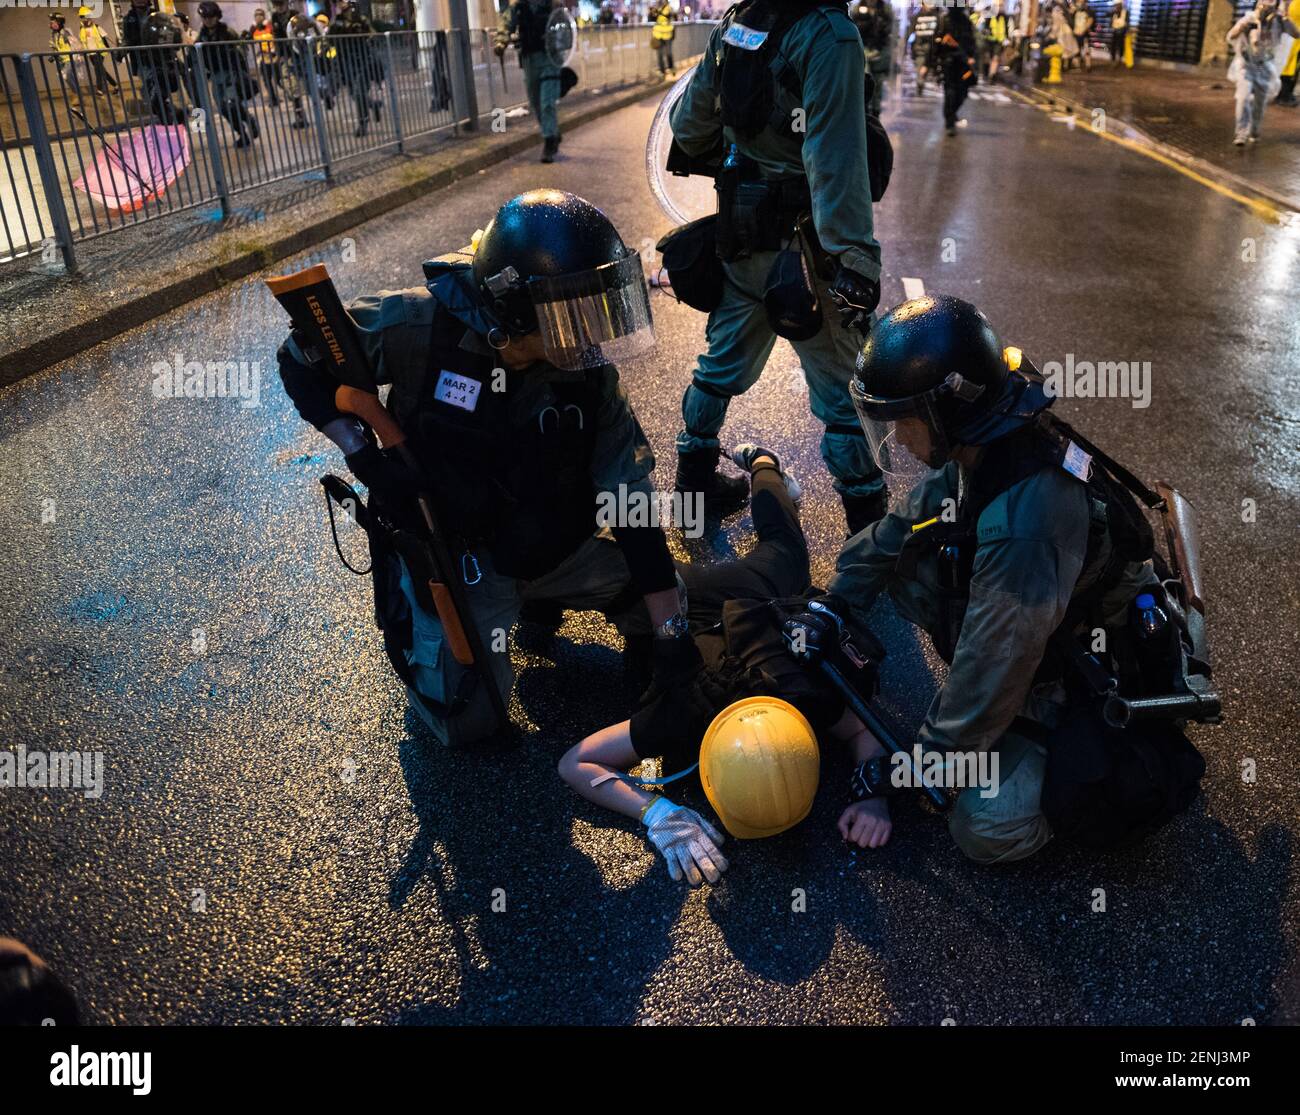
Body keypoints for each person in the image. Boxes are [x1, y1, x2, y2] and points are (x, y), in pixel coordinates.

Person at [277, 191, 696, 750]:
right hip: (462, 556)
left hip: (552, 545)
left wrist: (671, 639)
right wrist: (363, 455)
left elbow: (632, 503)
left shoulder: (586, 373)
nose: (592, 333)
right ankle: (424, 622)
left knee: (671, 610)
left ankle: (543, 598)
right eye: (574, 315)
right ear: (514, 311)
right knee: (471, 724)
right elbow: (299, 356)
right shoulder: (417, 326)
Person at [821, 295, 1207, 863]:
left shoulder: (1028, 516)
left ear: (947, 412)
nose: (898, 438)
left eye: (904, 421)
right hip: (1048, 615)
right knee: (908, 559)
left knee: (982, 827)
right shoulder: (984, 440)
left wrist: (908, 772)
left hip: (1090, 659)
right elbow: (904, 526)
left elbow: (993, 662)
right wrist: (831, 602)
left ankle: (1056, 743)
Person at [559, 446, 894, 885]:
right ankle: (762, 463)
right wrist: (655, 811)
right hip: (705, 602)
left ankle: (763, 464)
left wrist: (875, 797)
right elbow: (576, 764)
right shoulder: (687, 713)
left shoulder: (803, 696)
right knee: (772, 546)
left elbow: (576, 763)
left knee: (785, 547)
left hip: (755, 598)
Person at [667, 0, 887, 536]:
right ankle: (867, 532)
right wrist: (854, 259)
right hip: (806, 255)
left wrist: (749, 155)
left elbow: (689, 127)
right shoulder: (830, 35)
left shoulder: (738, 21)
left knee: (718, 368)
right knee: (843, 395)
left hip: (742, 240)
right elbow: (834, 158)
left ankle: (693, 494)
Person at [496, 0, 564, 163]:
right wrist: (501, 41)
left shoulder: (551, 4)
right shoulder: (518, 5)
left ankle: (549, 141)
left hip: (550, 57)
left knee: (547, 101)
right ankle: (553, 132)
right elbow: (506, 22)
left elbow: (563, 24)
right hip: (529, 59)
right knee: (536, 102)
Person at [1228, 0, 1300, 144]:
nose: (1266, 5)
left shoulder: (1279, 22)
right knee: (1243, 98)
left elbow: (1296, 34)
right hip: (1247, 65)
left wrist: (1285, 16)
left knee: (1259, 103)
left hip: (1265, 67)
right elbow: (1231, 36)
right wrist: (1242, 27)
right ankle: (1241, 133)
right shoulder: (1249, 18)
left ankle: (1254, 130)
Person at [197, 1, 260, 148]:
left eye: (211, 16)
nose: (208, 20)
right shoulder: (202, 36)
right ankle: (241, 133)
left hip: (231, 74)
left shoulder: (227, 32)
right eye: (205, 17)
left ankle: (249, 120)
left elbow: (240, 49)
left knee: (231, 104)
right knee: (222, 108)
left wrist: (241, 70)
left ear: (217, 16)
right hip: (215, 75)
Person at [120, 0, 185, 123]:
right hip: (142, 61)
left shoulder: (157, 15)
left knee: (157, 94)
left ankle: (170, 119)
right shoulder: (129, 19)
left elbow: (169, 33)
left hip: (160, 60)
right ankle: (172, 115)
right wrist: (121, 50)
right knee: (151, 97)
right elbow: (127, 39)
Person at [329, 0, 385, 138]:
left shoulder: (361, 19)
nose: (340, 5)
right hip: (346, 63)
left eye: (341, 2)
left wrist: (369, 39)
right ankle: (374, 105)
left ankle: (363, 124)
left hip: (362, 61)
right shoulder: (336, 22)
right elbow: (329, 39)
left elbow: (373, 34)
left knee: (359, 92)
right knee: (355, 95)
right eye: (337, 3)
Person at [929, 0, 977, 136]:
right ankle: (949, 121)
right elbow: (935, 44)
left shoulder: (966, 22)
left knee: (962, 93)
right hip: (948, 63)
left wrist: (971, 56)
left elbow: (971, 41)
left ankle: (952, 113)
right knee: (950, 93)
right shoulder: (943, 21)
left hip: (962, 64)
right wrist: (933, 63)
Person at [851, 0, 895, 115]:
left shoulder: (885, 8)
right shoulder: (859, 7)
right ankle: (865, 113)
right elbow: (854, 25)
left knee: (877, 84)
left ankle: (875, 113)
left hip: (878, 51)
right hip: (862, 49)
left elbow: (888, 30)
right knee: (862, 83)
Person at [77, 6, 118, 95]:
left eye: (86, 16)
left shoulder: (96, 27)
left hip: (99, 52)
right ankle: (115, 85)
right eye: (82, 17)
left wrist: (108, 49)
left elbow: (104, 39)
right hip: (90, 53)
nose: (85, 19)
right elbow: (83, 42)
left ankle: (99, 89)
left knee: (97, 70)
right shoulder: (82, 29)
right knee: (101, 70)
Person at [250, 7, 282, 107]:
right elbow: (249, 38)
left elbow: (277, 37)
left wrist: (276, 50)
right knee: (267, 80)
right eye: (256, 15)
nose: (258, 17)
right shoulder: (253, 29)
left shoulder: (270, 26)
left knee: (279, 79)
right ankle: (273, 99)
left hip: (274, 56)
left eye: (260, 15)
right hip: (263, 57)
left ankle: (292, 94)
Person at [909, 0, 939, 94]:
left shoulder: (937, 17)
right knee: (920, 65)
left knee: (926, 66)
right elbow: (910, 31)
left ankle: (921, 82)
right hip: (920, 47)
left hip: (932, 47)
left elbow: (939, 32)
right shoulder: (917, 16)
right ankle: (920, 83)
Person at [49, 12, 82, 95]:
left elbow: (76, 45)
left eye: (53, 22)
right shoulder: (54, 35)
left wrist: (78, 56)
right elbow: (57, 47)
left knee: (67, 75)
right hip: (63, 60)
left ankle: (77, 95)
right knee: (67, 77)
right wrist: (53, 55)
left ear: (59, 22)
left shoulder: (65, 33)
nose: (51, 24)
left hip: (71, 58)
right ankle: (78, 94)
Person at [1276, 0, 1300, 105]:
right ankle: (1284, 96)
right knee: (1290, 68)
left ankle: (1284, 94)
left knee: (1288, 66)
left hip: (1291, 40)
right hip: (1295, 40)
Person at [981, 0, 1010, 83]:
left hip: (999, 42)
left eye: (1002, 6)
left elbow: (1006, 29)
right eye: (999, 6)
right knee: (989, 59)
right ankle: (988, 73)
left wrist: (1006, 39)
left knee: (995, 58)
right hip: (990, 41)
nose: (1001, 8)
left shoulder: (1005, 17)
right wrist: (986, 32)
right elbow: (985, 28)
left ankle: (992, 76)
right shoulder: (990, 15)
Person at [651, 2, 677, 77]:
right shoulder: (655, 8)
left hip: (667, 34)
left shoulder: (669, 8)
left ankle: (671, 68)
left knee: (668, 53)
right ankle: (662, 71)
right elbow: (652, 19)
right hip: (658, 35)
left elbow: (674, 18)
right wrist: (652, 12)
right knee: (659, 54)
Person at [1070, 0, 1095, 71]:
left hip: (1084, 34)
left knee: (1086, 49)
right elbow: (1070, 20)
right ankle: (1077, 65)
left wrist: (1084, 30)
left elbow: (1090, 21)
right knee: (1076, 50)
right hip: (1076, 33)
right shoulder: (1075, 11)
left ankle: (1088, 65)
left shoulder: (1089, 11)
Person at [1109, 0, 1128, 66]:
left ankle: (1119, 59)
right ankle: (1113, 59)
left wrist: (1125, 30)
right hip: (1115, 32)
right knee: (1113, 46)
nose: (1117, 6)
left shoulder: (1125, 12)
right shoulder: (1114, 13)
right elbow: (1110, 22)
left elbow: (1127, 22)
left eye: (1118, 4)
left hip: (1122, 32)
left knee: (1121, 46)